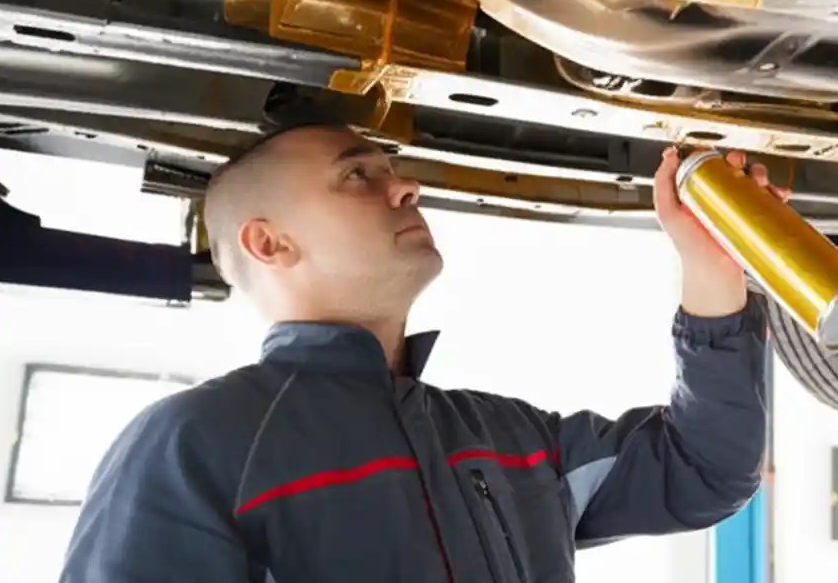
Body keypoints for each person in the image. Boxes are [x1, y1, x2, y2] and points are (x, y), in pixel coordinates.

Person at [60, 119, 785, 582]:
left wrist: (712, 274)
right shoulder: (197, 442)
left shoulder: (509, 437)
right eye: (357, 175)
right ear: (269, 242)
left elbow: (705, 469)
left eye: (391, 169)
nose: (406, 186)